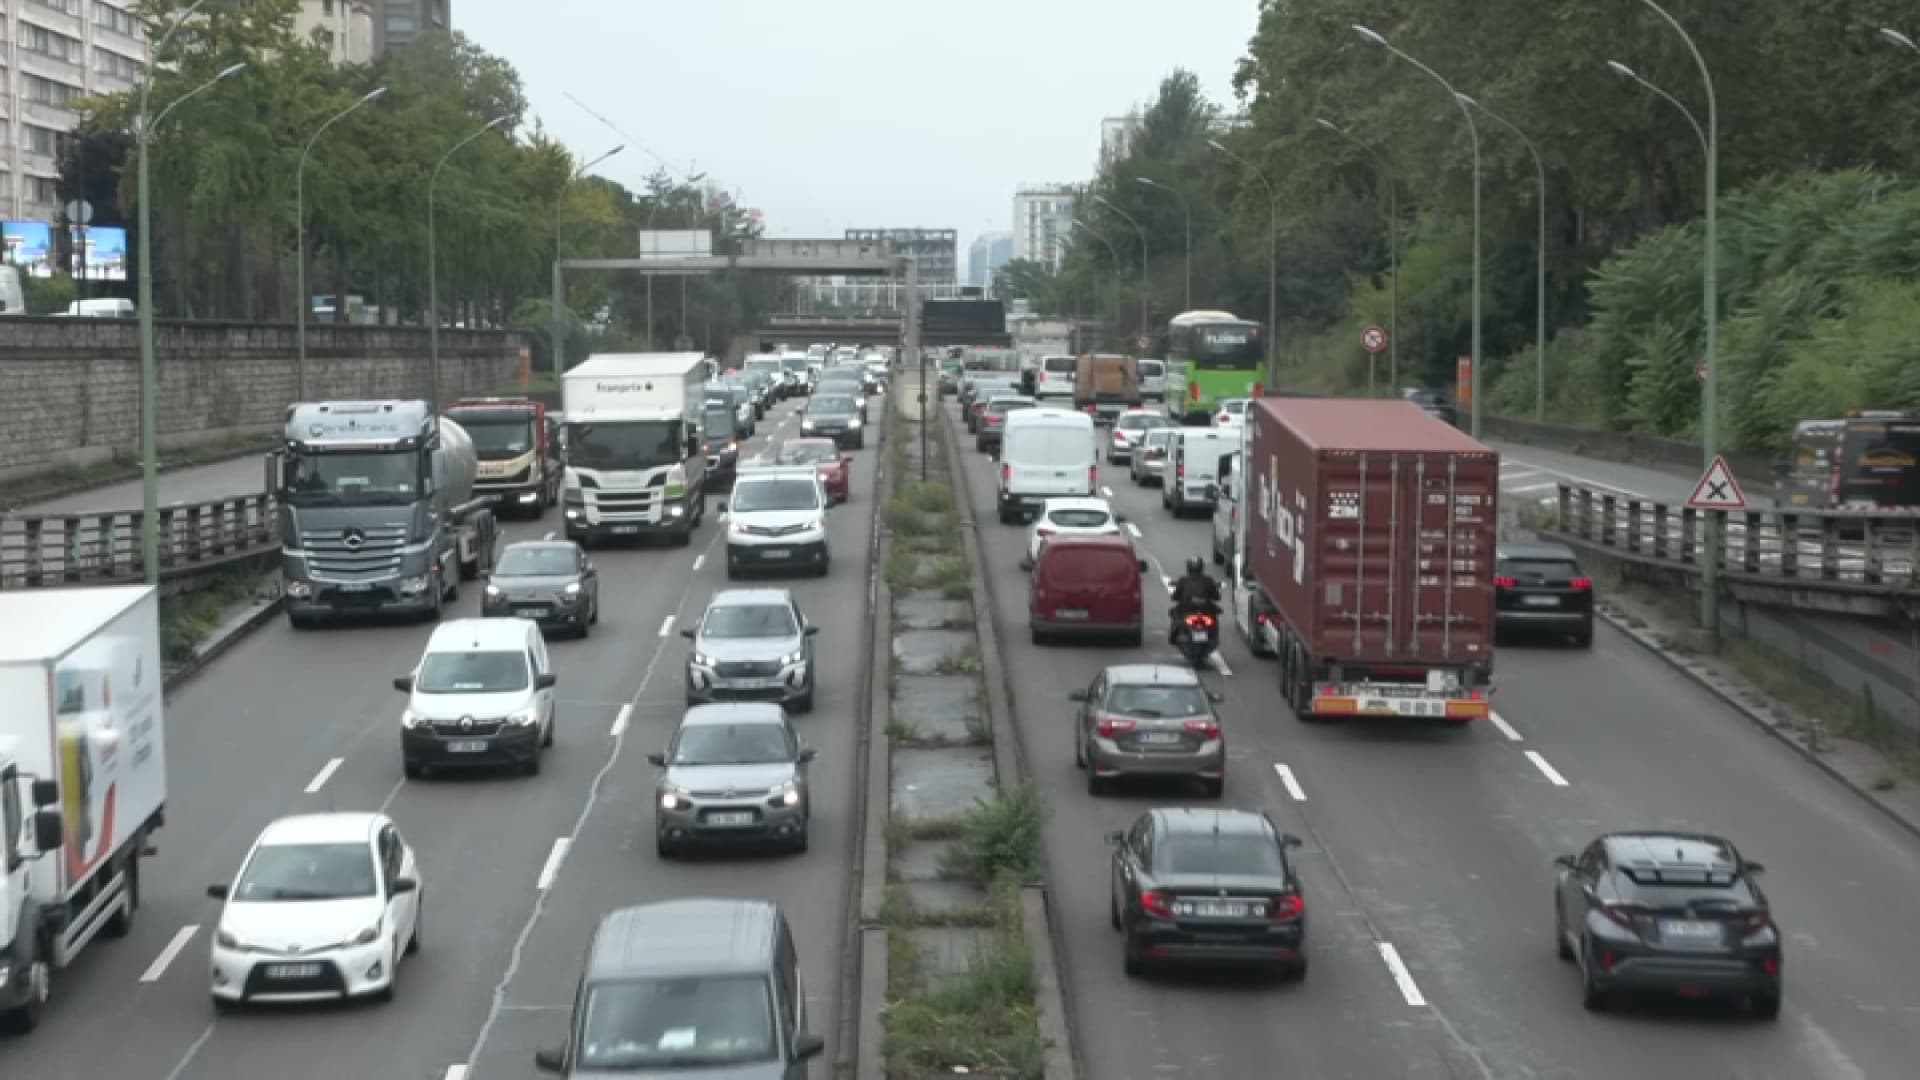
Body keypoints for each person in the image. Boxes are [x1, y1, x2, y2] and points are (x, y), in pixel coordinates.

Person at [1168, 556, 1221, 645]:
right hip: (1200, 610)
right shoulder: (1208, 580)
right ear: (1201, 568)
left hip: (1192, 610)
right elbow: (1217, 596)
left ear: (1188, 568)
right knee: (1175, 614)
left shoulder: (1183, 580)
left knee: (1175, 614)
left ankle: (1174, 636)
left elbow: (1175, 597)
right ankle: (1175, 635)